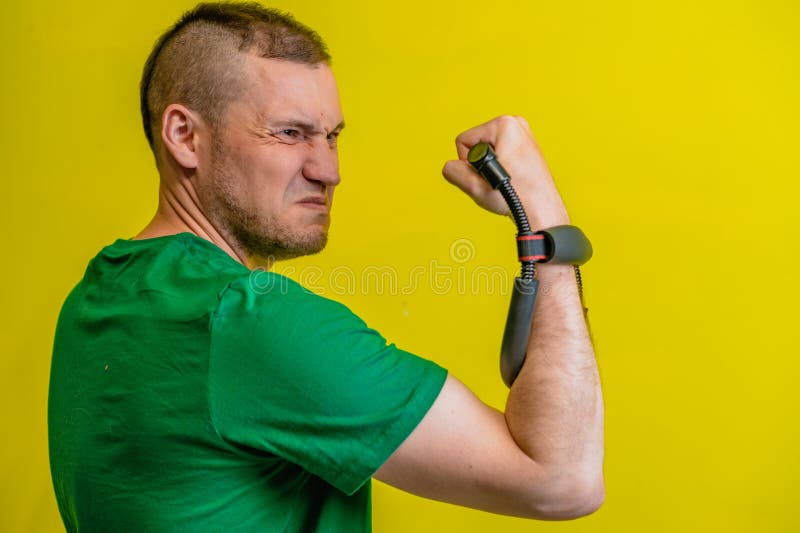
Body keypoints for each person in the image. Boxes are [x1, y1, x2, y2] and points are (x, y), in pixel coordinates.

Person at [48, 2, 604, 532]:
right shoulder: (251, 322)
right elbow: (563, 480)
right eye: (290, 133)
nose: (328, 171)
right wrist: (545, 226)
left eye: (332, 136)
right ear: (184, 136)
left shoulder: (96, 297)